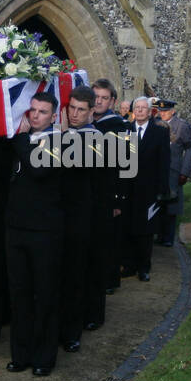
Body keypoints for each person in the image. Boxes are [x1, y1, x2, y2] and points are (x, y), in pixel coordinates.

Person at [5, 92, 64, 376]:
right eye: (33, 111)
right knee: (20, 294)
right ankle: (21, 354)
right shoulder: (19, 140)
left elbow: (39, 169)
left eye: (43, 112)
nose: (36, 115)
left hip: (45, 233)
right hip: (16, 229)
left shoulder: (61, 142)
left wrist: (19, 140)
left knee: (46, 294)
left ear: (54, 117)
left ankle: (43, 358)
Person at [58, 86, 97, 353]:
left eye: (81, 109)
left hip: (79, 217)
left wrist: (61, 134)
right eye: (71, 107)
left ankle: (72, 333)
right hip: (56, 214)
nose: (74, 114)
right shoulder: (61, 132)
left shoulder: (95, 138)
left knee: (73, 277)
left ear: (91, 112)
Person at [88, 79, 128, 318]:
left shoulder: (119, 127)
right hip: (90, 196)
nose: (99, 101)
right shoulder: (87, 124)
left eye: (104, 98)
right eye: (96, 97)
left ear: (112, 101)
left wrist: (118, 199)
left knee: (104, 250)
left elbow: (127, 166)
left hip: (108, 196)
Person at [120, 96, 170, 282]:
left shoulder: (160, 133)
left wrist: (162, 189)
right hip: (127, 188)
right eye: (137, 108)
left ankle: (144, 267)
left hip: (149, 189)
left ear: (150, 112)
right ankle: (129, 265)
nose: (140, 110)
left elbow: (164, 162)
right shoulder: (125, 130)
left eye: (143, 108)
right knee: (127, 228)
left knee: (145, 230)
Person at [153, 98, 191, 246]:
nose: (162, 114)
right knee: (157, 203)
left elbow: (189, 149)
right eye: (160, 111)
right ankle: (158, 234)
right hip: (157, 170)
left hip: (173, 170)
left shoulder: (182, 126)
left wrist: (185, 172)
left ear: (173, 111)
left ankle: (169, 238)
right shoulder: (155, 123)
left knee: (171, 205)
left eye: (165, 111)